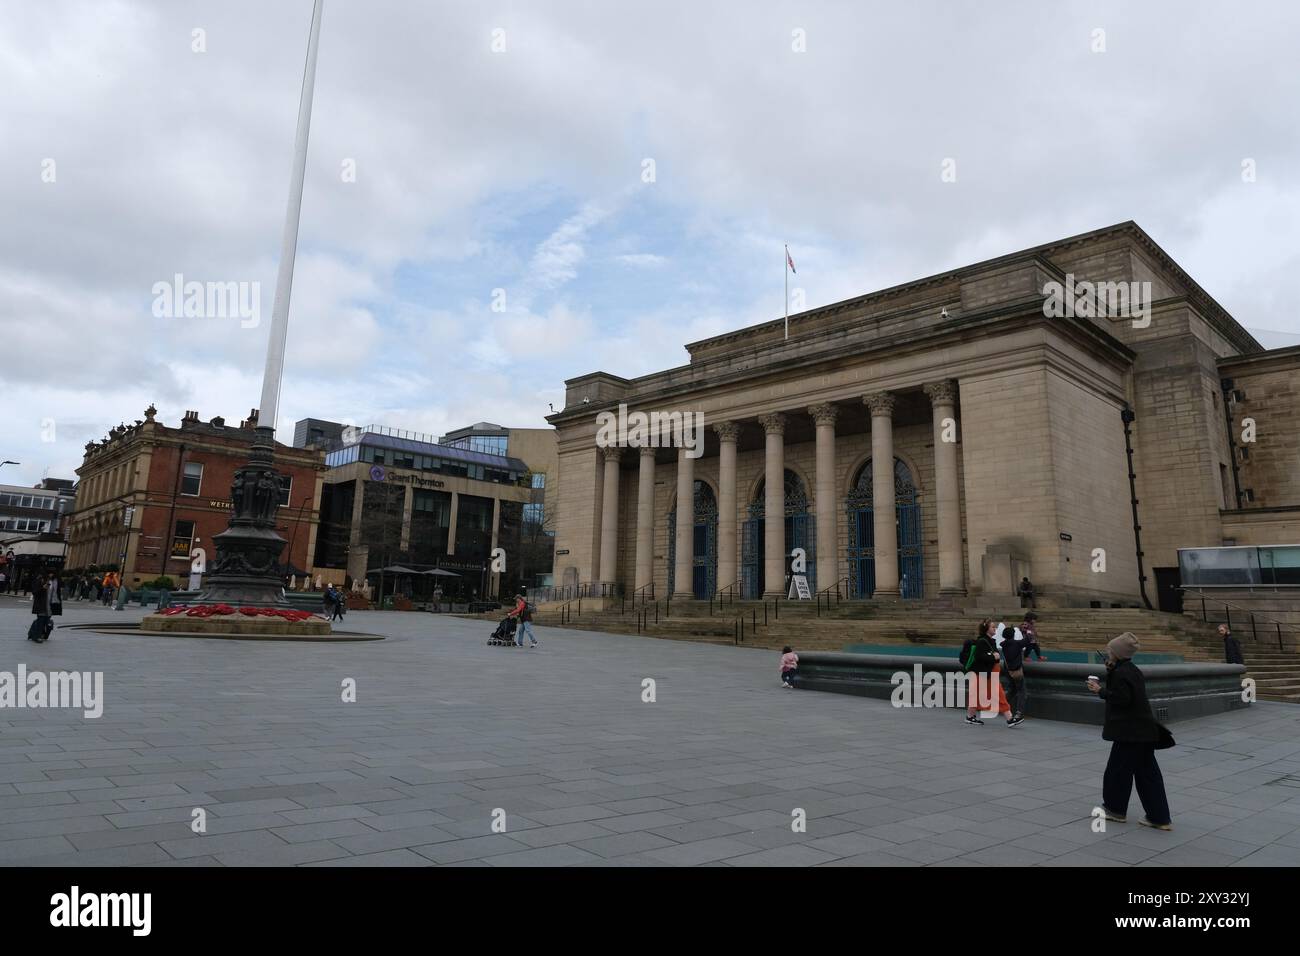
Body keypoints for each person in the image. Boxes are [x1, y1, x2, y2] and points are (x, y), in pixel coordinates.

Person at [1087, 632, 1173, 830]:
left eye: (1110, 650)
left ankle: (1115, 809)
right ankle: (1159, 817)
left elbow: (1122, 699)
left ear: (1117, 653)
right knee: (1148, 775)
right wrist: (1111, 671)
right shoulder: (1131, 669)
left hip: (1129, 733)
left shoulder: (1121, 672)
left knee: (1117, 772)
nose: (1108, 653)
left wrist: (1099, 690)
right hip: (1143, 731)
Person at [965, 620, 1011, 725]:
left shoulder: (991, 641)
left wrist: (995, 657)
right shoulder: (982, 641)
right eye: (992, 627)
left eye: (995, 627)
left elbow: (995, 656)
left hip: (988, 672)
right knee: (999, 694)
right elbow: (979, 656)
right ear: (986, 629)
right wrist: (993, 656)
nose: (995, 629)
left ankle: (970, 716)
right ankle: (1010, 718)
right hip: (986, 672)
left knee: (976, 694)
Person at [999, 624, 1029, 726]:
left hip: (1008, 670)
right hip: (1017, 671)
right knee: (1022, 691)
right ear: (1013, 635)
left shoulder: (1003, 645)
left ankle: (1001, 705)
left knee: (1012, 689)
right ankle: (1019, 713)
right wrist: (1027, 632)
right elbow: (1028, 640)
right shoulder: (1016, 644)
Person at [28, 572, 54, 643]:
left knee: (46, 622)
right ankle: (37, 636)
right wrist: (43, 588)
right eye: (50, 573)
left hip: (49, 606)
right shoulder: (39, 580)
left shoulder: (52, 582)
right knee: (40, 621)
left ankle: (40, 634)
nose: (51, 574)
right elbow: (35, 592)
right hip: (41, 605)